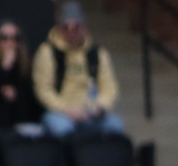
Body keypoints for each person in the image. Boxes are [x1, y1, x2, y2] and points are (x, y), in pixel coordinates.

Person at [32, 2, 120, 137]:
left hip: (90, 110)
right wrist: (67, 109)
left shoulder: (97, 53)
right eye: (66, 28)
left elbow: (109, 86)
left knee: (115, 125)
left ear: (85, 28)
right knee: (62, 129)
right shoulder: (48, 52)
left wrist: (100, 106)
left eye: (76, 27)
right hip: (61, 111)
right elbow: (43, 89)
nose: (71, 32)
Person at [0, 19, 43, 130]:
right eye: (4, 38)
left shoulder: (26, 64)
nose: (10, 42)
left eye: (15, 38)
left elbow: (33, 98)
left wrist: (16, 94)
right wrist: (5, 68)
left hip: (22, 122)